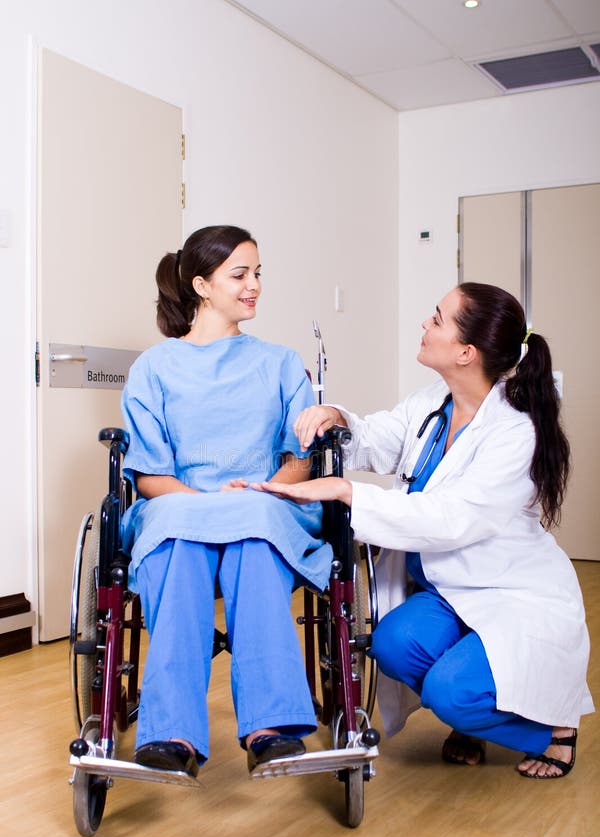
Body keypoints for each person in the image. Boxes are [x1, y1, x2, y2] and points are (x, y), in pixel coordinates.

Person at [254, 282, 594, 779]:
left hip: (508, 593)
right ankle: (476, 719)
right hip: (444, 590)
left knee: (451, 692)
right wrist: (337, 417)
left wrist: (349, 494)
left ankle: (551, 734)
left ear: (465, 352)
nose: (424, 324)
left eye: (436, 318)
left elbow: (452, 519)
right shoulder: (433, 402)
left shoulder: (515, 431)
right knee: (392, 644)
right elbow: (376, 439)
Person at [120, 225, 332, 777]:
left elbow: (299, 462)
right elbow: (150, 479)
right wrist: (209, 500)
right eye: (240, 274)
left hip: (262, 506)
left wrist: (266, 488)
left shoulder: (282, 364)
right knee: (178, 535)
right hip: (178, 507)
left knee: (255, 534)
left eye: (258, 273)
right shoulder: (154, 368)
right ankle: (170, 733)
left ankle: (271, 726)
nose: (254, 285)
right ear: (201, 285)